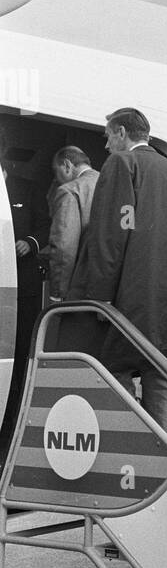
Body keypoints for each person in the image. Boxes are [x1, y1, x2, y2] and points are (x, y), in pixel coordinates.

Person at [69, 107, 167, 436]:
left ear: (123, 133)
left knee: (114, 371)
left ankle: (131, 445)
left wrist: (99, 298)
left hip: (132, 300)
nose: (106, 145)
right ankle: (166, 457)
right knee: (159, 380)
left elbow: (112, 234)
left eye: (108, 136)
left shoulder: (122, 164)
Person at [0, 127, 49, 451]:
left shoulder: (26, 189)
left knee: (18, 358)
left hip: (21, 289)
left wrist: (28, 243)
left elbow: (47, 226)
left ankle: (11, 429)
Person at [46, 146, 99, 301]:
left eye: (56, 171)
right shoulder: (111, 183)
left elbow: (64, 246)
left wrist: (57, 293)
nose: (56, 179)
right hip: (106, 288)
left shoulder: (69, 191)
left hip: (78, 286)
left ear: (67, 165)